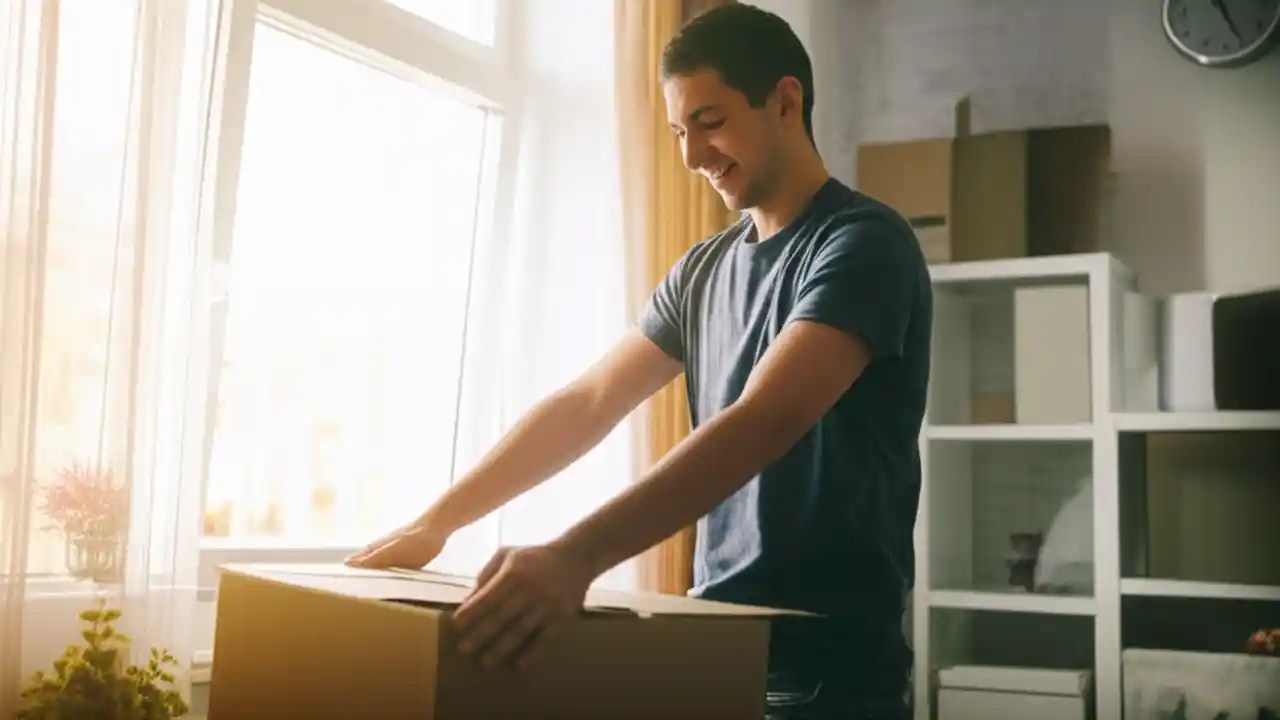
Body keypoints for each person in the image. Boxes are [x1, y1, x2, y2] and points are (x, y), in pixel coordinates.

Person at [347, 4, 931, 718]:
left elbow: (765, 420)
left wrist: (572, 558)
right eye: (679, 132)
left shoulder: (864, 244)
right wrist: (438, 522)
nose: (690, 157)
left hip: (830, 678)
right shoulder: (701, 270)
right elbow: (590, 401)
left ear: (785, 101)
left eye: (710, 122)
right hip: (714, 651)